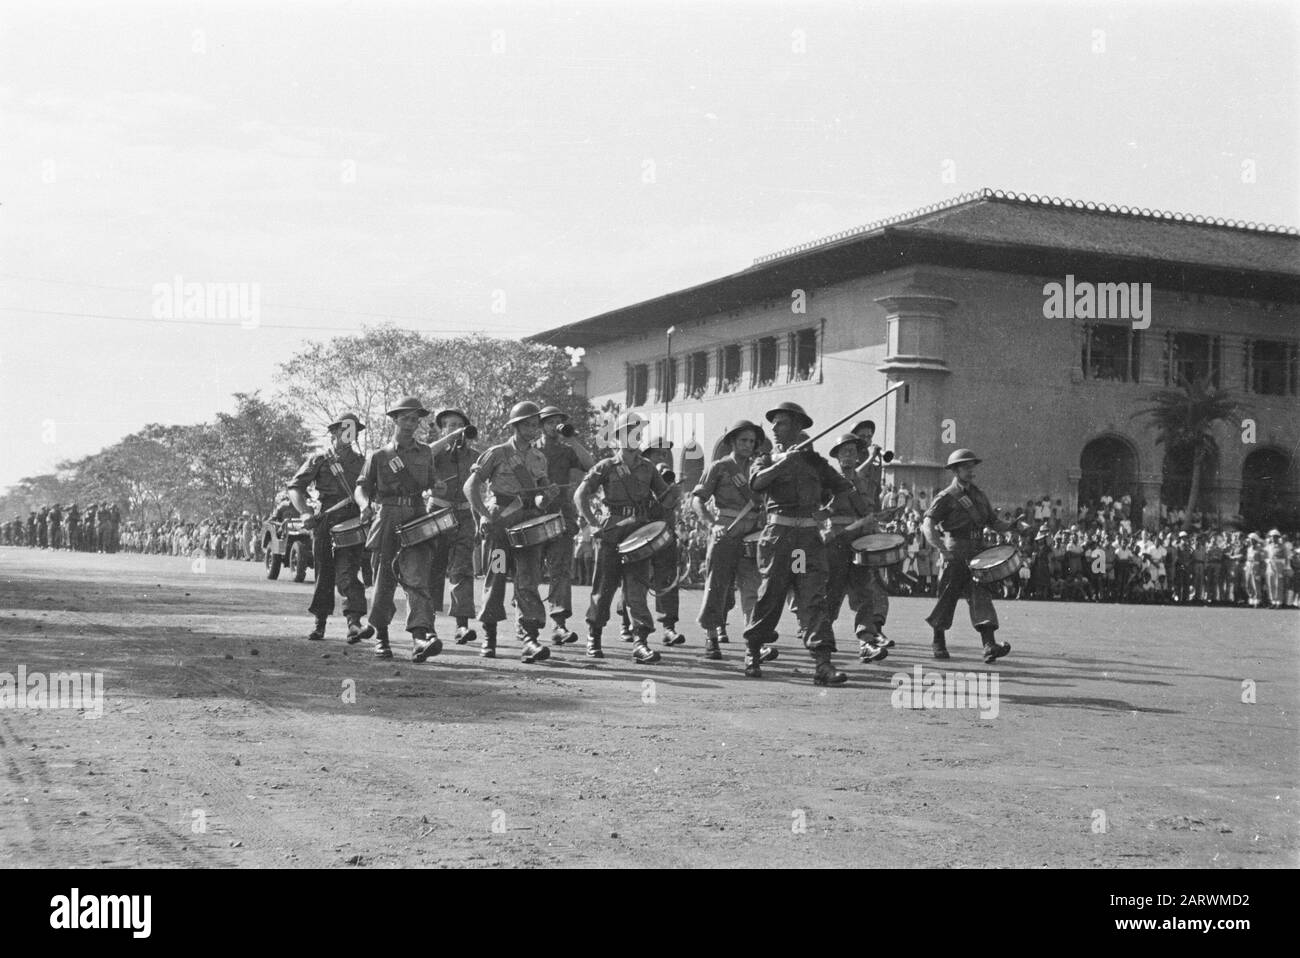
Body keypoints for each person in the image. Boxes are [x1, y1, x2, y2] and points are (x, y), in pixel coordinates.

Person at [744, 402, 866, 686]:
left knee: (812, 596)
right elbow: (756, 484)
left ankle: (823, 664)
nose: (774, 428)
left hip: (806, 545)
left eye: (782, 423)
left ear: (798, 427)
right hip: (779, 540)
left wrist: (825, 512)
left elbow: (843, 487)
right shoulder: (766, 458)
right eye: (773, 423)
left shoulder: (815, 462)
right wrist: (783, 462)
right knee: (770, 596)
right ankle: (752, 651)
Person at [464, 401, 558, 663]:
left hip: (528, 526)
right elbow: (470, 487)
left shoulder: (540, 458)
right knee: (496, 578)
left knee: (528, 579)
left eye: (535, 424)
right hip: (500, 526)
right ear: (515, 426)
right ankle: (489, 637)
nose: (533, 429)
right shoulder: (497, 453)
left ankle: (529, 639)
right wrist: (483, 515)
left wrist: (547, 496)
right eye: (527, 425)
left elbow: (540, 499)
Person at [574, 411, 670, 664]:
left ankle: (641, 642)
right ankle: (594, 638)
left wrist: (673, 497)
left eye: (638, 432)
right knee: (604, 588)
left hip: (639, 534)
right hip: (611, 532)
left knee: (636, 589)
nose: (635, 436)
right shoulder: (605, 466)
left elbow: (665, 498)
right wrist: (593, 524)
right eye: (629, 432)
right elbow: (580, 495)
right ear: (618, 437)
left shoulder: (648, 468)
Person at [355, 396, 442, 663]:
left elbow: (431, 482)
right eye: (405, 418)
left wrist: (438, 486)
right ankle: (381, 637)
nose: (411, 424)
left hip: (415, 516)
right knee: (384, 580)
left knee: (417, 578)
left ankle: (420, 637)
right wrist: (363, 506)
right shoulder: (379, 456)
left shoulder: (425, 452)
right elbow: (362, 487)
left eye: (415, 419)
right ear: (394, 420)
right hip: (387, 516)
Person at [921, 449, 1027, 662]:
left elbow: (993, 521)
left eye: (972, 467)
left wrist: (1012, 526)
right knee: (947, 596)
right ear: (955, 470)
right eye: (965, 467)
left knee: (981, 595)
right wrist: (942, 549)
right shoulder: (946, 497)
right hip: (955, 550)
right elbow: (928, 524)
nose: (971, 471)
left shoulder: (979, 495)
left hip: (977, 552)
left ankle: (989, 645)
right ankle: (938, 642)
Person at [287, 411, 373, 645]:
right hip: (325, 521)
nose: (348, 433)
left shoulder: (363, 463)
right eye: (344, 429)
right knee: (324, 574)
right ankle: (320, 623)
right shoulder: (319, 460)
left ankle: (354, 623)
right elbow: (295, 488)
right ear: (334, 432)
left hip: (353, 521)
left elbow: (372, 491)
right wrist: (305, 511)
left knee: (348, 572)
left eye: (353, 430)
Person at [692, 419, 764, 660]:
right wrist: (712, 525)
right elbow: (697, 500)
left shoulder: (759, 468)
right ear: (732, 441)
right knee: (717, 588)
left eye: (752, 441)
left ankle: (754, 642)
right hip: (726, 531)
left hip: (752, 534)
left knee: (751, 588)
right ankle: (711, 637)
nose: (748, 445)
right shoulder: (719, 467)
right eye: (743, 440)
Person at [822, 433, 891, 663]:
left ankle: (866, 642)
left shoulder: (863, 482)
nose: (849, 455)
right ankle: (823, 639)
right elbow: (818, 511)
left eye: (853, 451)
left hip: (859, 543)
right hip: (836, 541)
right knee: (832, 592)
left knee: (864, 593)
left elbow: (868, 510)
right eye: (845, 452)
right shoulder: (828, 480)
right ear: (837, 456)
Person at [535, 405, 596, 645]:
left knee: (560, 570)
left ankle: (559, 624)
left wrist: (572, 439)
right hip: (532, 514)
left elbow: (590, 465)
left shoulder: (567, 450)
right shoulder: (530, 449)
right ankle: (526, 622)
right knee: (529, 571)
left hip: (561, 515)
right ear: (541, 425)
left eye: (558, 422)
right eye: (550, 422)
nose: (555, 426)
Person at [427, 408, 482, 647]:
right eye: (448, 424)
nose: (454, 428)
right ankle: (426, 625)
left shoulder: (475, 456)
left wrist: (480, 519)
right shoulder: (435, 452)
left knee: (462, 570)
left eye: (459, 424)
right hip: (438, 512)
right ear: (441, 429)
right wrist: (449, 438)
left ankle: (462, 626)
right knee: (432, 569)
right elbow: (424, 455)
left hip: (463, 515)